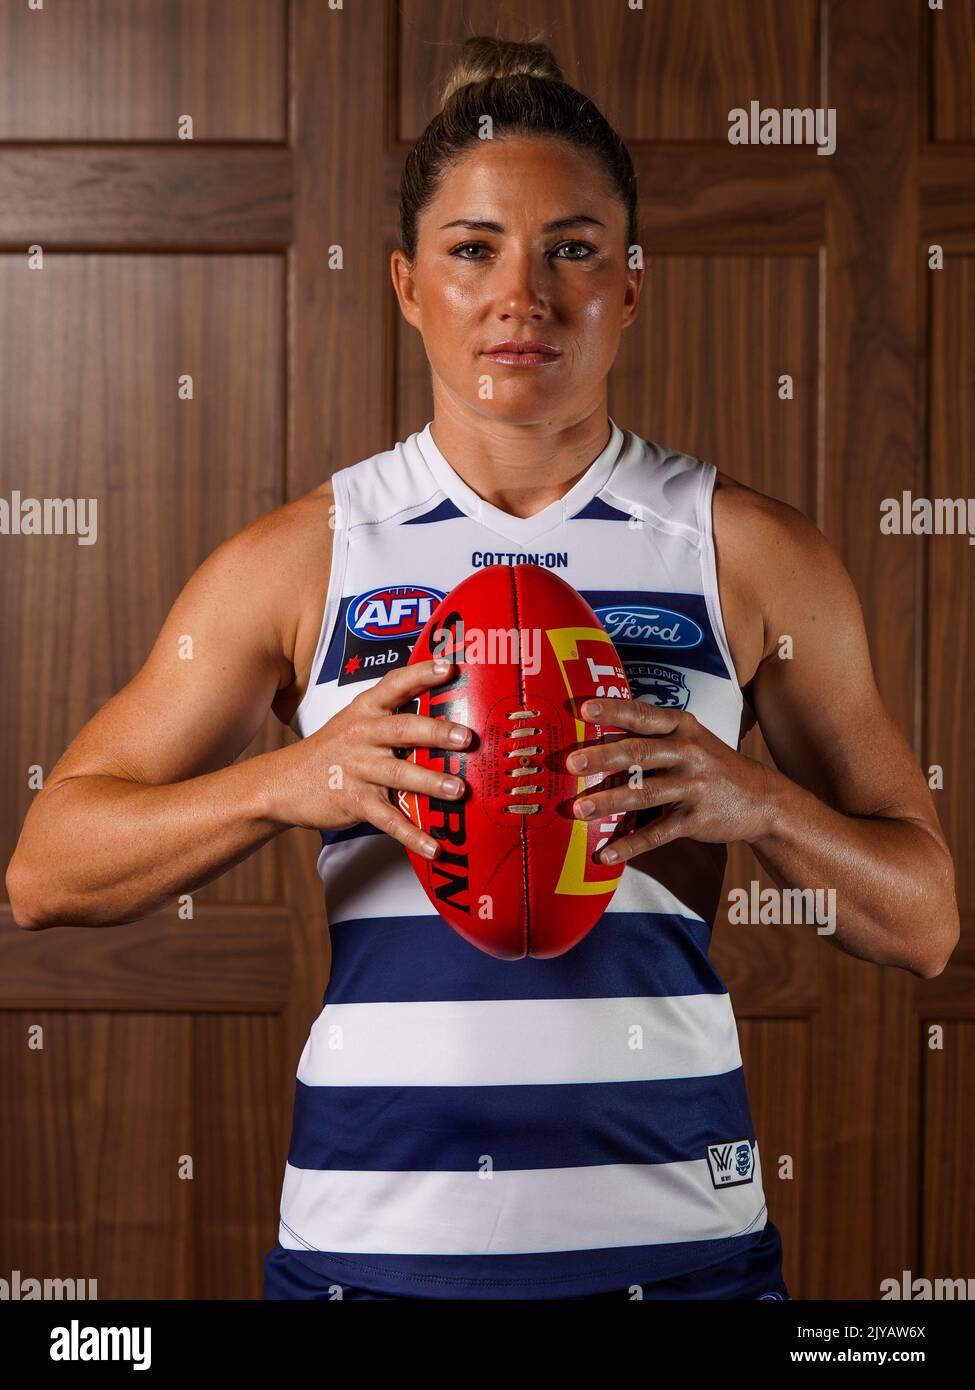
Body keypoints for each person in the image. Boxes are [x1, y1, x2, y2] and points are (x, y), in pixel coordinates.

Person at [6, 36, 958, 1303]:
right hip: (374, 1251)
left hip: (679, 1251)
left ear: (630, 285)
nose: (524, 297)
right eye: (473, 250)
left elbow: (928, 921)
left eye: (572, 249)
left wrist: (761, 803)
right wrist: (288, 779)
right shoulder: (305, 557)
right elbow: (44, 869)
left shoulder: (747, 553)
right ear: (407, 284)